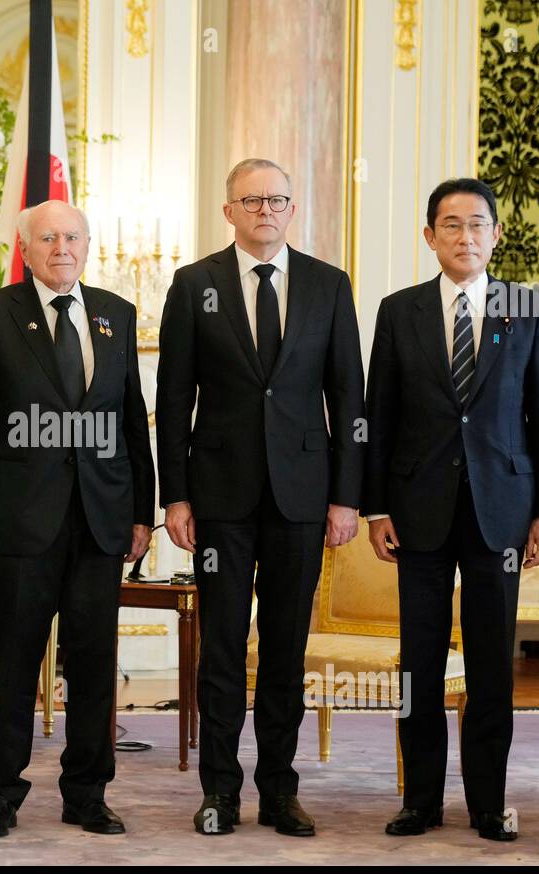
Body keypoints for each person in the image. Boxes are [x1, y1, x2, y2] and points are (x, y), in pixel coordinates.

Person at [156, 158, 365, 836]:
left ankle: (279, 790)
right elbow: (172, 399)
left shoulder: (330, 286)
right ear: (229, 212)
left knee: (283, 649)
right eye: (251, 200)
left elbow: (348, 398)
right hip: (219, 499)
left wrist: (346, 497)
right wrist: (175, 497)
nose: (265, 210)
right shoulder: (195, 286)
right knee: (221, 648)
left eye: (277, 199)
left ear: (292, 209)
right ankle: (219, 790)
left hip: (302, 500)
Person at [363, 177, 539, 841]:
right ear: (429, 237)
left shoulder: (528, 310)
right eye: (451, 224)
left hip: (501, 510)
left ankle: (486, 803)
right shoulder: (399, 312)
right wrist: (375, 509)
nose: (465, 236)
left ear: (496, 235)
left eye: (478, 224)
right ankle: (419, 801)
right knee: (418, 665)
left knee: (490, 665)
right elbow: (379, 417)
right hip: (417, 511)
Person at [0, 200, 154, 837]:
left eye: (72, 237)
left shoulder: (116, 315)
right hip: (19, 523)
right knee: (15, 664)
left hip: (101, 520)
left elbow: (130, 423)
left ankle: (88, 793)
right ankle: (0, 797)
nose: (61, 248)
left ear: (88, 245)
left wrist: (141, 513)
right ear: (27, 248)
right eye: (47, 238)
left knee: (93, 664)